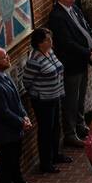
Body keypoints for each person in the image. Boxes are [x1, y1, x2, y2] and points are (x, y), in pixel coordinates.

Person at [0, 46, 42, 183]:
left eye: (6, 55)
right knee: (7, 164)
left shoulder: (4, 75)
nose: (8, 58)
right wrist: (20, 121)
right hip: (5, 133)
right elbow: (2, 111)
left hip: (15, 128)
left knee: (15, 161)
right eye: (3, 57)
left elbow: (16, 99)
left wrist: (25, 116)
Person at [48, 0, 92, 145]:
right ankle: (70, 134)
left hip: (83, 61)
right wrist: (88, 52)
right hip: (72, 64)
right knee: (71, 100)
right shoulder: (57, 16)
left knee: (80, 98)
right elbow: (66, 42)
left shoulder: (75, 8)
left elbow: (88, 29)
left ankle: (80, 125)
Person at [21, 28, 69, 175]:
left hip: (55, 96)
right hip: (43, 101)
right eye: (47, 40)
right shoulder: (34, 60)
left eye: (50, 38)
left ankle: (56, 154)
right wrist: (40, 91)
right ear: (39, 43)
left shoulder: (50, 52)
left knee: (56, 127)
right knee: (46, 131)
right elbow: (27, 81)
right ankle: (46, 162)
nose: (50, 41)